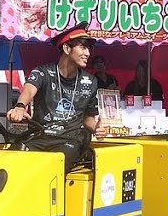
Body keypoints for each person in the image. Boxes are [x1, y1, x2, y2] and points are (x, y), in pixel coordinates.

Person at [6, 22, 103, 172]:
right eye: (83, 47)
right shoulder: (43, 72)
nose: (88, 53)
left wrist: (96, 128)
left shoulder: (90, 81)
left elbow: (88, 119)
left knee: (54, 163)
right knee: (12, 159)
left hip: (70, 140)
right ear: (66, 48)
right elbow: (29, 90)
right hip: (40, 137)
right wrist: (19, 107)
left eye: (88, 48)